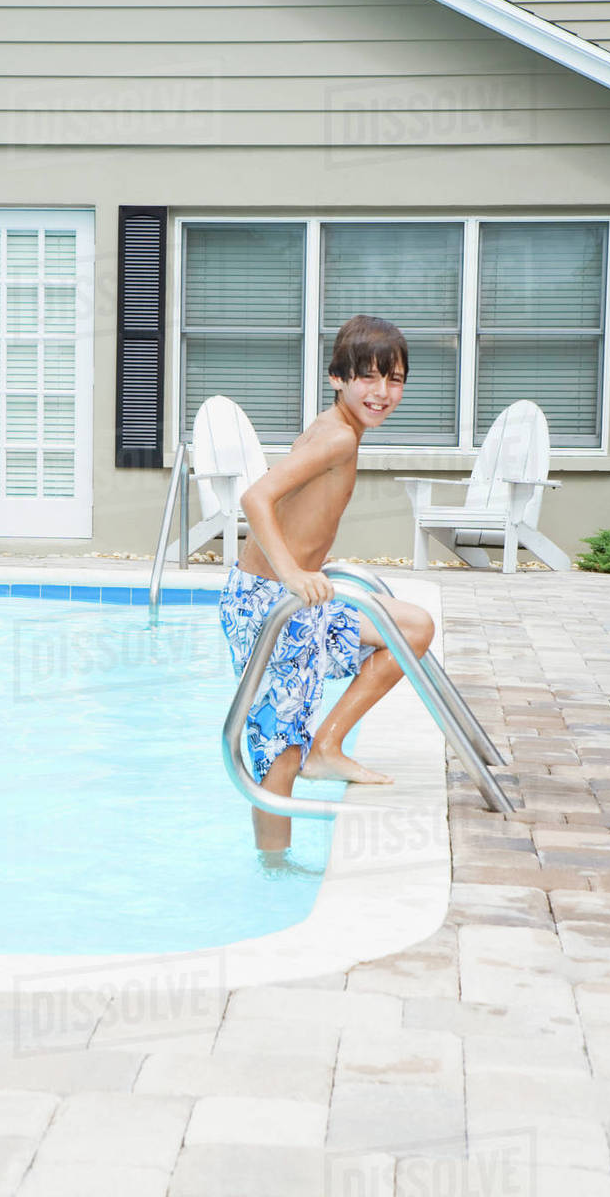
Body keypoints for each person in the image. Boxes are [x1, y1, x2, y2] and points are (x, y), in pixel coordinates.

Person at [219, 314, 435, 851]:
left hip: (297, 599)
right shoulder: (338, 437)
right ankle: (274, 867)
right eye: (369, 377)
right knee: (280, 750)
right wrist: (293, 571)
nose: (383, 392)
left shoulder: (337, 429)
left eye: (395, 379)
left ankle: (328, 745)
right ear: (338, 377)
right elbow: (256, 498)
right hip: (273, 602)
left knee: (412, 627)